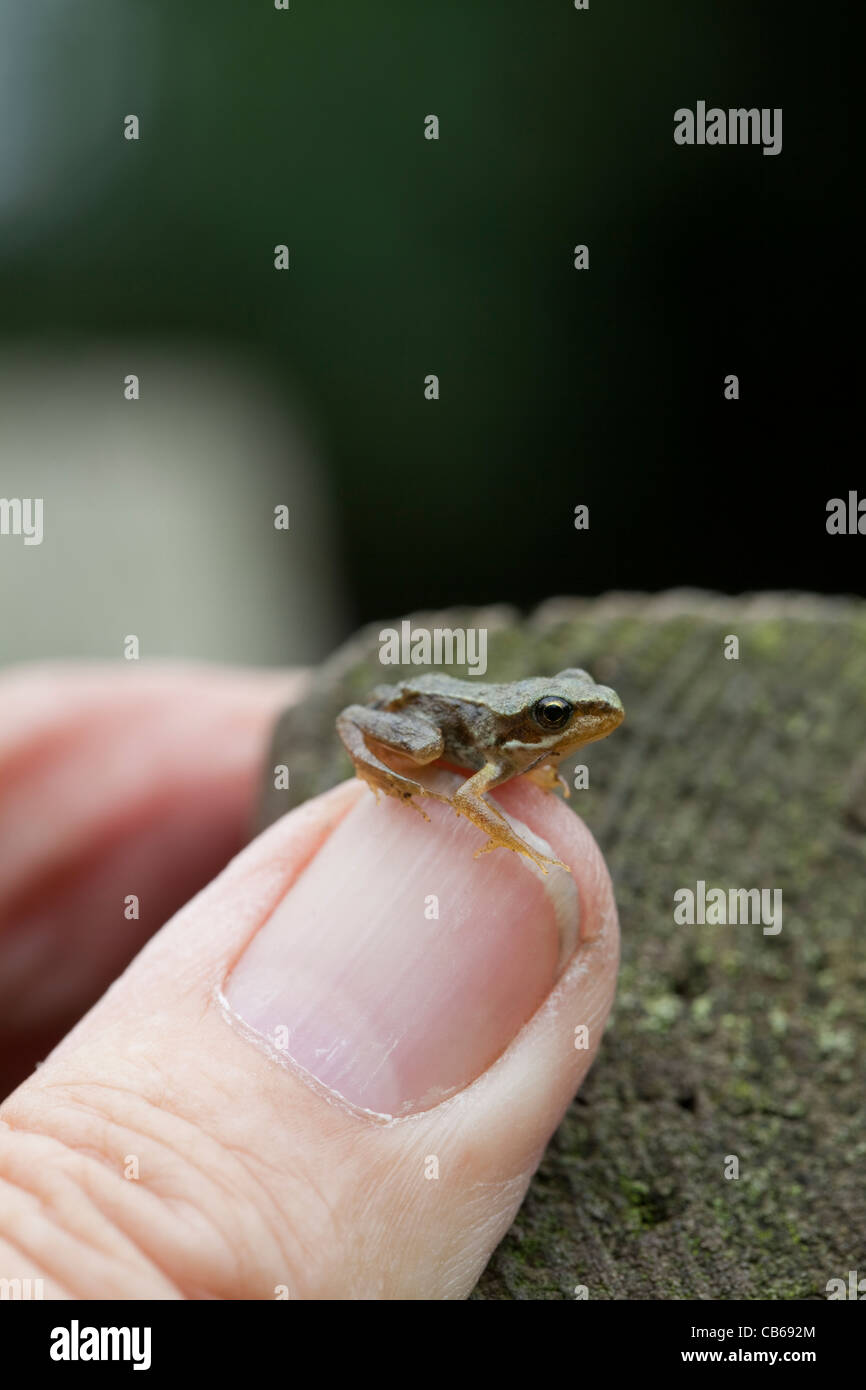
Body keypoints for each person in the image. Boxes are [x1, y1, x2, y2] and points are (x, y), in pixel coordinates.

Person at [0, 664, 618, 1299]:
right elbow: (463, 795)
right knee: (429, 750)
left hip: (449, 702)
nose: (587, 718)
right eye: (555, 714)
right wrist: (493, 830)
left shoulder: (521, 748)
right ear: (529, 720)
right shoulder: (485, 751)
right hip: (429, 712)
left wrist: (542, 758)